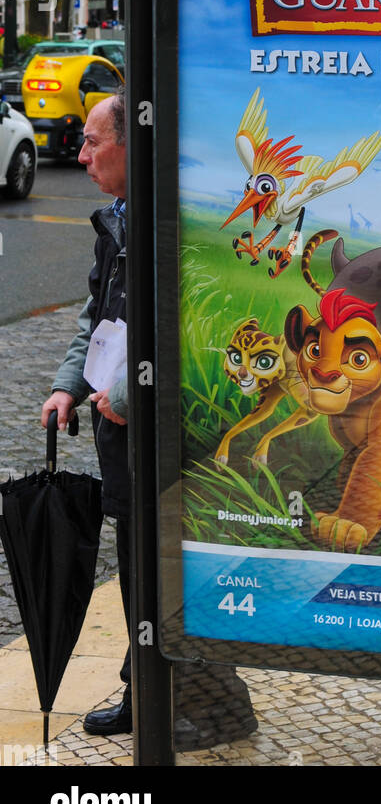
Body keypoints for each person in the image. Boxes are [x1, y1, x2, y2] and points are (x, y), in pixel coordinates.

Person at [41, 90, 256, 749]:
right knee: (139, 570)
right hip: (120, 436)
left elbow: (182, 330)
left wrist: (129, 399)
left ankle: (213, 707)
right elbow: (97, 320)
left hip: (168, 439)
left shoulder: (172, 227)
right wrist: (68, 388)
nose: (80, 157)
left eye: (92, 143)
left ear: (130, 145)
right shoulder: (118, 223)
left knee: (174, 571)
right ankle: (147, 694)